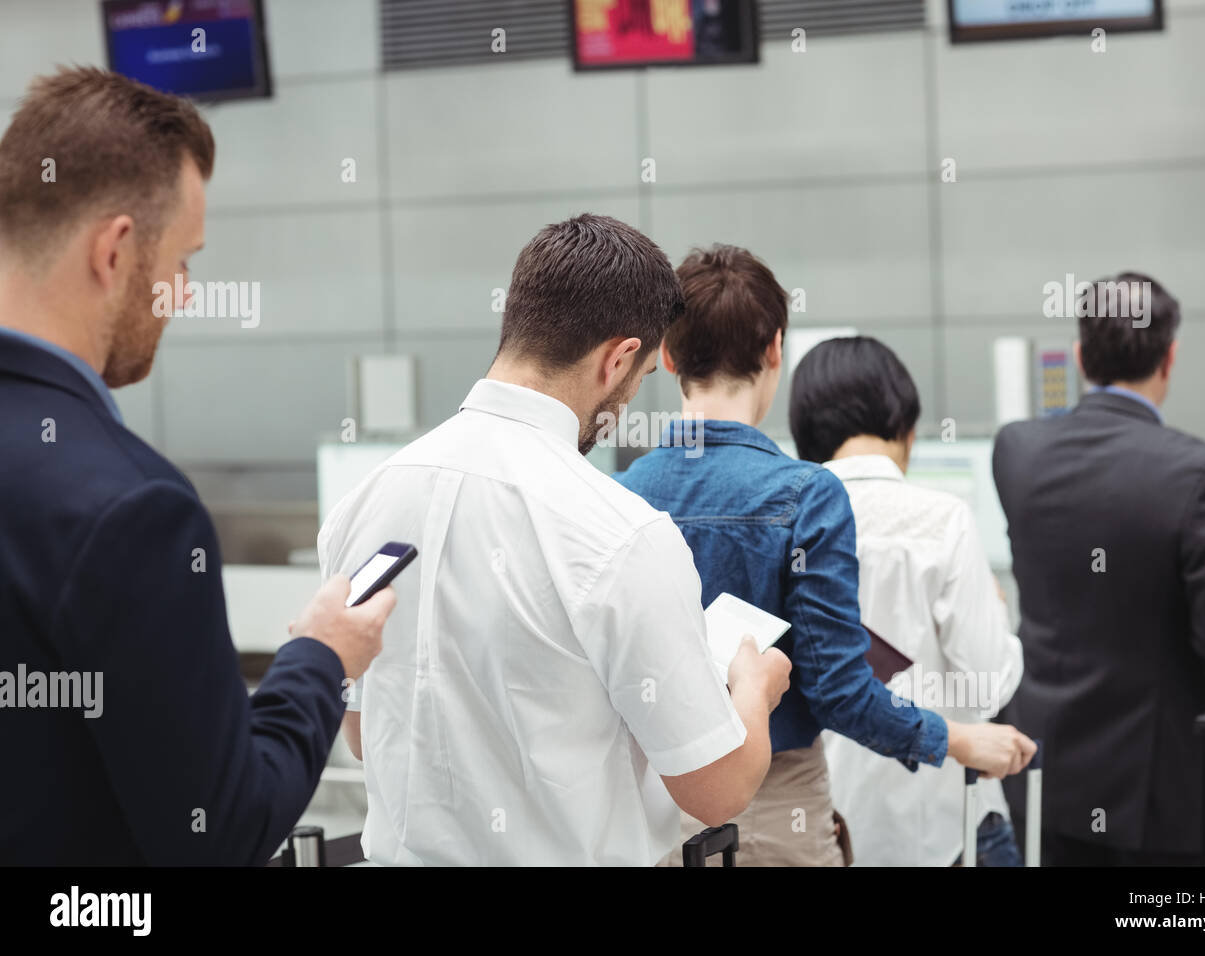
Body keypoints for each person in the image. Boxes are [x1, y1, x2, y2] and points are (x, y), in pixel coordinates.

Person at [0, 67, 395, 865]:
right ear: (115, 251)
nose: (182, 296)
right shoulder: (131, 508)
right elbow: (218, 830)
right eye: (182, 262)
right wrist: (322, 657)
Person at [318, 214, 791, 866]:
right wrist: (754, 689)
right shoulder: (623, 534)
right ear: (618, 357)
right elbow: (718, 789)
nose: (626, 402)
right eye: (642, 375)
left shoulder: (361, 506)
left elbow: (367, 733)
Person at [616, 244, 1036, 866]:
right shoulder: (807, 495)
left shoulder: (618, 496)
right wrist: (957, 740)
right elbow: (840, 691)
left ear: (669, 355)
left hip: (648, 809)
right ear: (774, 350)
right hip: (773, 805)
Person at [993, 272, 1205, 865]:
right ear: (1170, 357)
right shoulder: (1202, 474)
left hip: (1042, 770)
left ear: (1081, 356)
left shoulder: (1017, 452)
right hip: (1157, 789)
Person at [790, 336, 1025, 866]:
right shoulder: (944, 520)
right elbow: (988, 685)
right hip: (944, 824)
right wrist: (999, 613)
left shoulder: (786, 523)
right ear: (906, 427)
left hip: (825, 827)